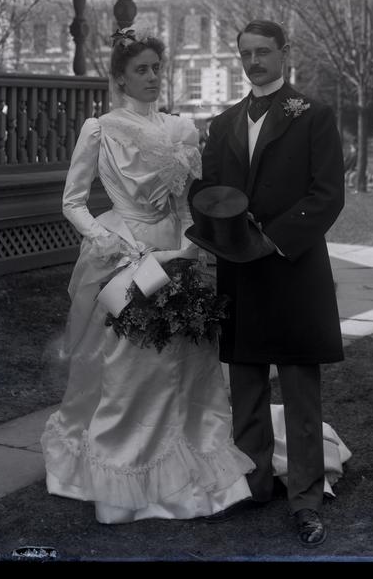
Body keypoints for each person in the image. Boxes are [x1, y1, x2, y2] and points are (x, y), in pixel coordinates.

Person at [40, 29, 256, 524]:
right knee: (127, 361)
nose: (153, 77)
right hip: (122, 247)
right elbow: (72, 202)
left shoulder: (181, 132)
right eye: (142, 69)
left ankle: (194, 457)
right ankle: (125, 462)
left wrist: (187, 243)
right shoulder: (101, 129)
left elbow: (184, 205)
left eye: (158, 67)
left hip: (173, 247)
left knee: (189, 356)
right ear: (120, 78)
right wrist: (107, 239)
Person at [188, 19, 347, 547]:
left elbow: (327, 195)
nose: (254, 62)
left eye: (263, 52)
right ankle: (253, 486)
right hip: (240, 270)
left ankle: (305, 498)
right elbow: (212, 191)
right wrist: (210, 217)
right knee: (247, 385)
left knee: (301, 388)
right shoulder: (224, 121)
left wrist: (271, 239)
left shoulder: (314, 115)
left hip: (294, 267)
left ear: (284, 53)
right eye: (246, 54)